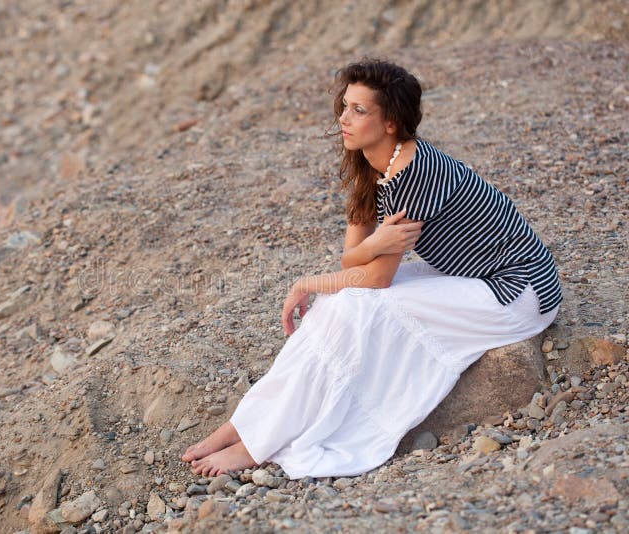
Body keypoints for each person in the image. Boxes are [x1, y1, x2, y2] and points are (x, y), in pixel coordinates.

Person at [181, 58, 562, 478]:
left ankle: (257, 444)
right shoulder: (369, 159)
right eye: (345, 106)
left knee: (352, 307)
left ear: (391, 123)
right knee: (339, 301)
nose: (344, 119)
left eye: (359, 110)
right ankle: (246, 425)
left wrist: (314, 280)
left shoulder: (417, 171)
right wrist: (373, 246)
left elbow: (375, 278)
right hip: (474, 275)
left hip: (515, 289)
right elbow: (354, 258)